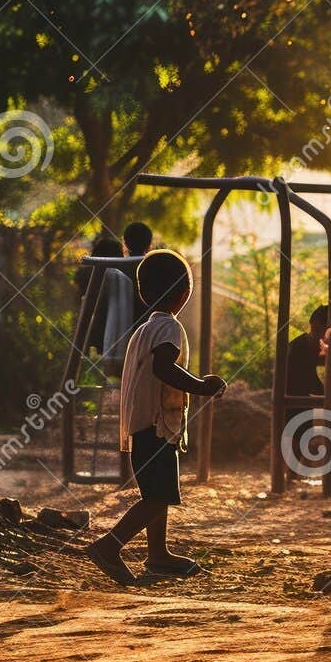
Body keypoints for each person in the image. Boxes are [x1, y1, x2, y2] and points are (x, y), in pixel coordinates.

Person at [85, 249, 226, 584]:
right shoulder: (170, 329)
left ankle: (158, 553)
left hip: (146, 424)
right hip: (156, 426)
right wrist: (202, 387)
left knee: (156, 494)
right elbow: (164, 369)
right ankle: (109, 546)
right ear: (183, 295)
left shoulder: (144, 329)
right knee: (159, 496)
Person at [286, 304, 331, 395]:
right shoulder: (299, 347)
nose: (318, 336)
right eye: (316, 330)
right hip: (296, 403)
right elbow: (310, 383)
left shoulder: (308, 345)